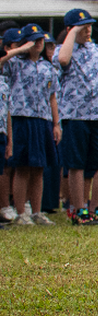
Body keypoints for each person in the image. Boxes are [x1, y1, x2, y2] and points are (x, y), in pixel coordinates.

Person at [54, 8, 98, 225]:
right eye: (83, 27)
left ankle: (95, 207)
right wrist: (73, 33)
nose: (88, 30)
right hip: (75, 115)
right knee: (77, 164)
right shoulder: (62, 50)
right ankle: (79, 210)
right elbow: (63, 60)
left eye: (90, 26)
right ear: (70, 29)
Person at [3, 25, 59, 225]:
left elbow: (52, 96)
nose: (38, 44)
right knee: (22, 168)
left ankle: (37, 211)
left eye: (40, 40)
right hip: (21, 118)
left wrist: (56, 123)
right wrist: (19, 50)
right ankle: (21, 213)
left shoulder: (47, 66)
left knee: (39, 168)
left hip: (42, 120)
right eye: (33, 40)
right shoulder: (15, 63)